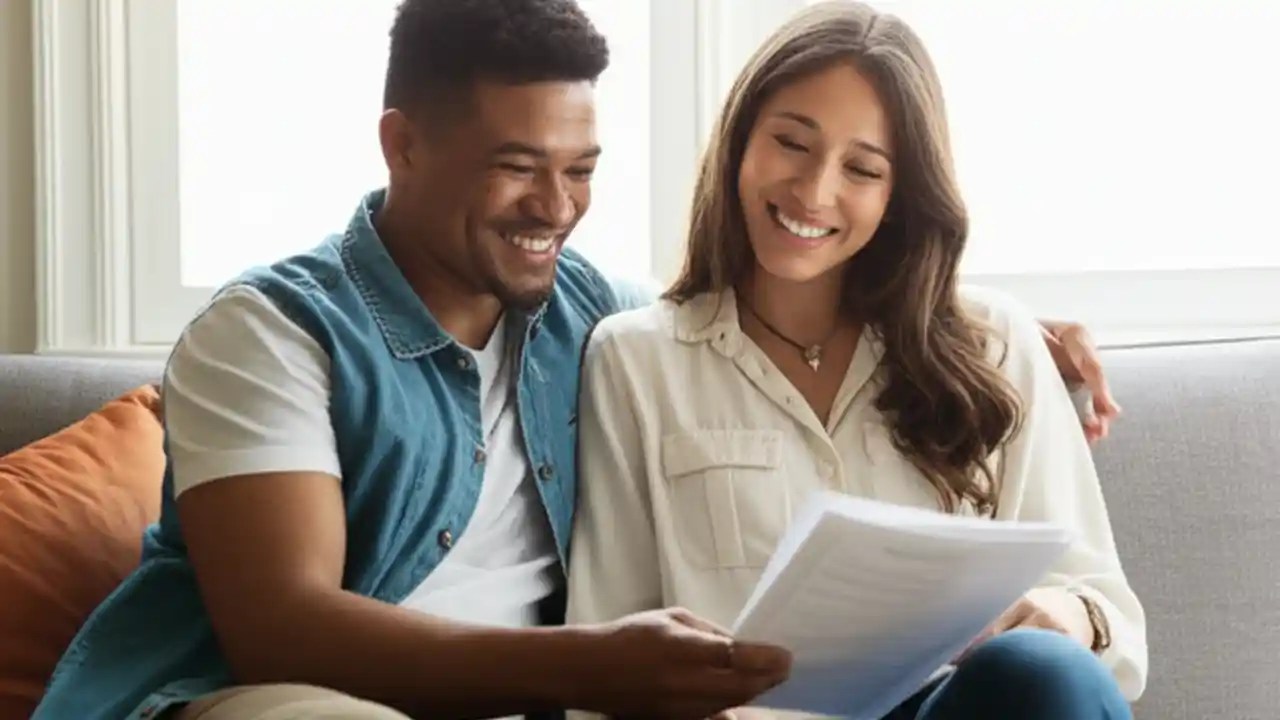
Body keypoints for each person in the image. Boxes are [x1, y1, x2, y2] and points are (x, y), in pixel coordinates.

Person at [31, 2, 1118, 719]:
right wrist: (596, 665)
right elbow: (281, 631)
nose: (554, 207)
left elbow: (753, 316)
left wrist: (986, 329)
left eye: (581, 169)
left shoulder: (588, 315)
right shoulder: (268, 333)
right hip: (283, 698)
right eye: (517, 166)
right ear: (402, 144)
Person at [565, 3, 1146, 720]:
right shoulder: (636, 360)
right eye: (791, 143)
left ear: (899, 195)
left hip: (958, 705)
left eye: (862, 169)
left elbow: (1112, 620)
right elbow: (607, 649)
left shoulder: (995, 345)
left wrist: (1069, 614)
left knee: (1041, 668)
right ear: (741, 140)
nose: (814, 192)